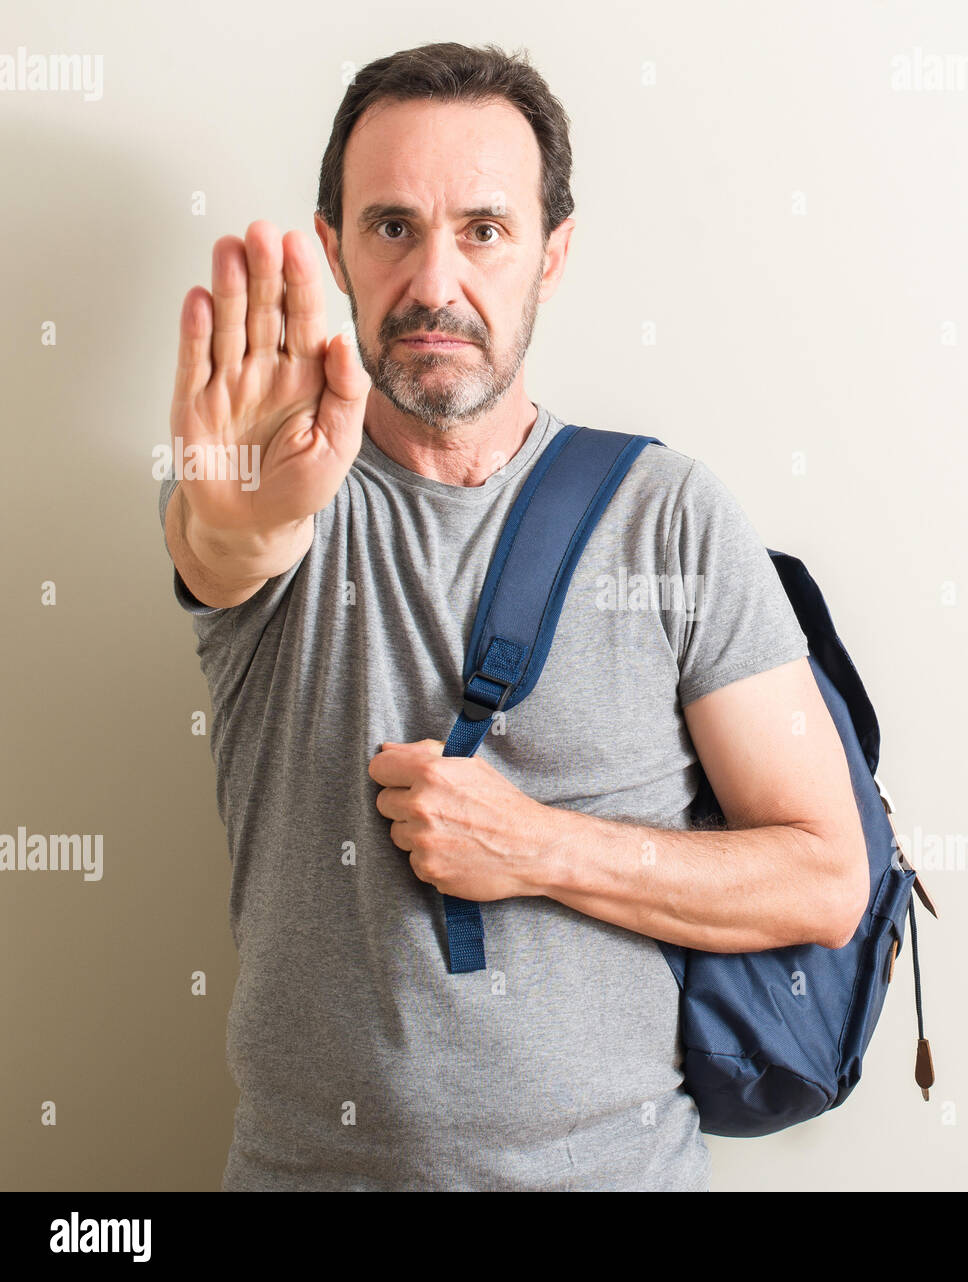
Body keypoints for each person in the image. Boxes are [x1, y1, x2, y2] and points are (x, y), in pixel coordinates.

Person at [158, 40, 868, 1191]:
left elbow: (823, 879)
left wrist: (538, 846)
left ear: (553, 251)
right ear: (332, 243)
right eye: (391, 227)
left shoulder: (670, 517)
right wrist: (244, 513)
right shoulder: (270, 483)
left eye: (484, 229)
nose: (436, 282)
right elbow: (225, 546)